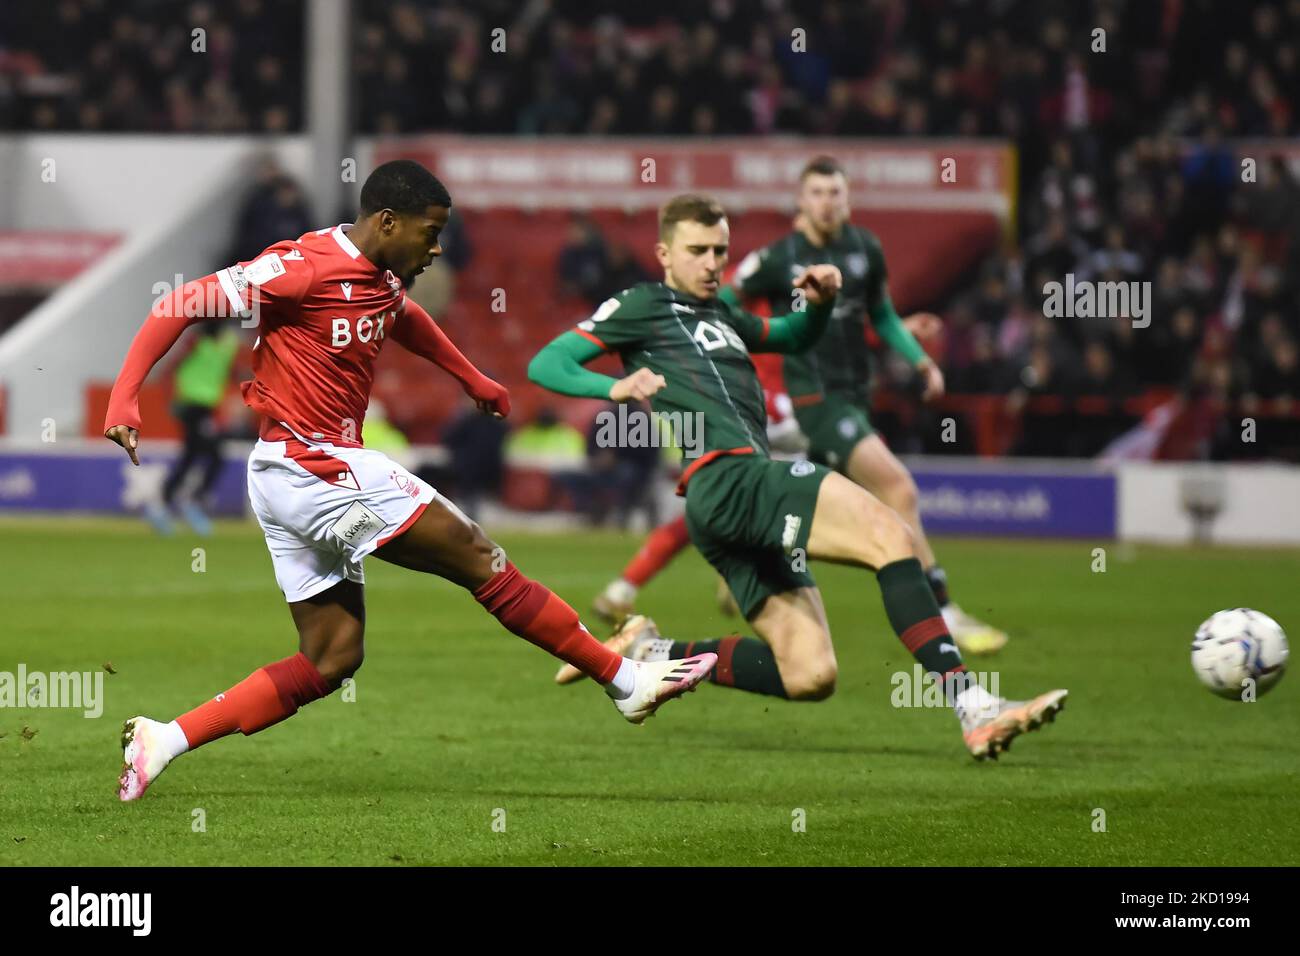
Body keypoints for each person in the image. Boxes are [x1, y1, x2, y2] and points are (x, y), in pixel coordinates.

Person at [102, 160, 716, 802]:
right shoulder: (300, 267)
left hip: (294, 475)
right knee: (479, 557)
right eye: (430, 232)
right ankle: (623, 679)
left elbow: (404, 317)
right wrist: (126, 397)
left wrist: (469, 375)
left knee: (332, 657)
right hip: (312, 464)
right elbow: (182, 301)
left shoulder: (382, 278)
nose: (438, 246)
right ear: (388, 222)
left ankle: (163, 739)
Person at [528, 192, 1066, 759]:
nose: (712, 262)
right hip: (732, 476)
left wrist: (819, 305)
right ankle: (975, 706)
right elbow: (547, 363)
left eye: (720, 250)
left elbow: (789, 337)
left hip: (721, 507)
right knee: (892, 536)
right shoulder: (642, 304)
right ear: (664, 253)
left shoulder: (722, 313)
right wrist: (609, 387)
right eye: (697, 250)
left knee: (809, 673)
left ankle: (654, 651)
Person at [724, 155, 1009, 654]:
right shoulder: (778, 257)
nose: (826, 202)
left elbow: (881, 313)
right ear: (800, 200)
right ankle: (942, 607)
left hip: (856, 397)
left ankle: (747, 552)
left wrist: (920, 361)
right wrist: (732, 342)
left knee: (815, 512)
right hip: (817, 401)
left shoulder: (864, 250)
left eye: (835, 192)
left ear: (847, 198)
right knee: (898, 488)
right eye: (817, 193)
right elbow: (726, 298)